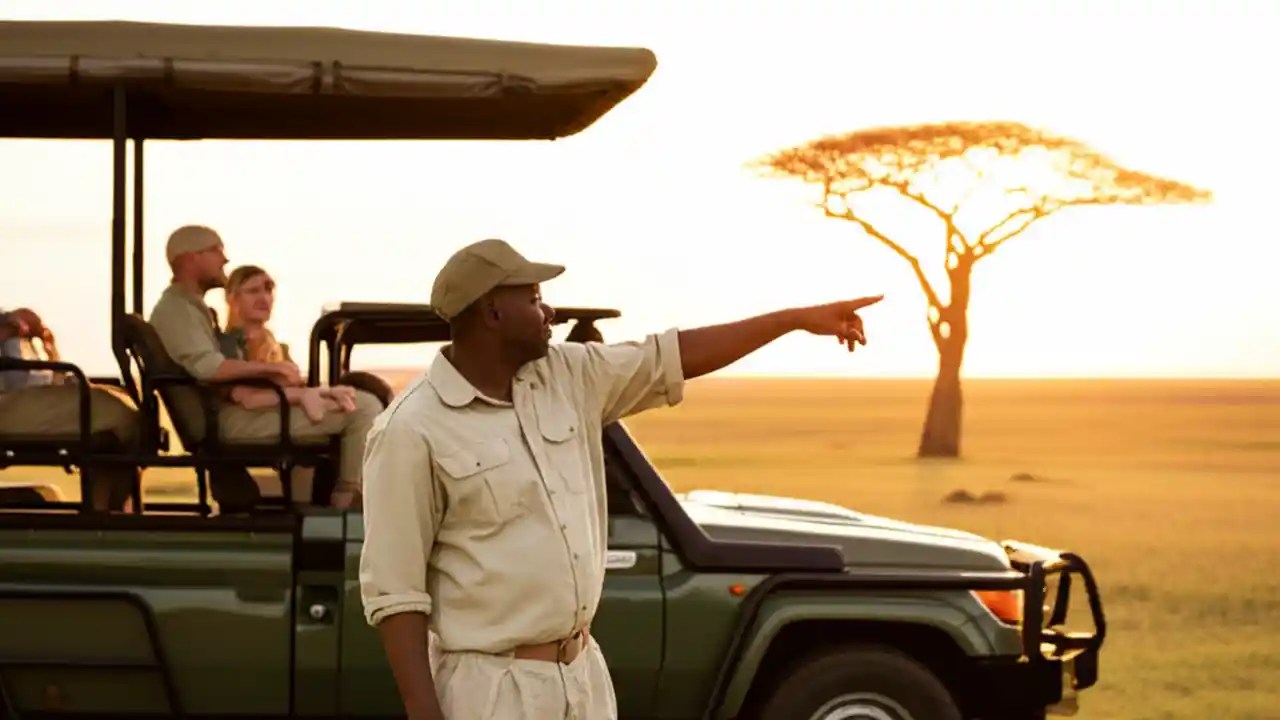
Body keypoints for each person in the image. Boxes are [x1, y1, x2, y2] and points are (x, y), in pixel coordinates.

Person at [358, 238, 883, 720]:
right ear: (492, 311)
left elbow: (671, 356)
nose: (551, 312)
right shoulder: (411, 431)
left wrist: (792, 320)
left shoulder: (569, 376)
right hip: (491, 691)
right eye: (536, 298)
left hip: (581, 677)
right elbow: (396, 596)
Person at [147, 225, 382, 510]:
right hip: (232, 417)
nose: (224, 260)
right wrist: (274, 371)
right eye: (216, 250)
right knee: (364, 409)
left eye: (268, 290)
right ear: (190, 258)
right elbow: (211, 370)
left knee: (360, 399)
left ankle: (337, 504)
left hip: (233, 412)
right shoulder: (178, 311)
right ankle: (348, 506)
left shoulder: (193, 309)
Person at [0, 307, 140, 511]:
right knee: (116, 412)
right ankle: (108, 515)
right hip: (9, 406)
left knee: (117, 405)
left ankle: (106, 510)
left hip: (21, 397)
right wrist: (9, 324)